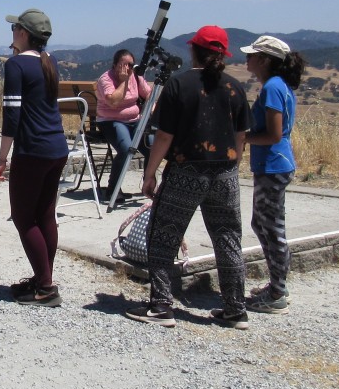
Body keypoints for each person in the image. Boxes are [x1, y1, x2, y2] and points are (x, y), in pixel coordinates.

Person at [126, 25, 251, 330]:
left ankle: (161, 305)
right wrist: (231, 167)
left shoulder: (179, 86)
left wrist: (150, 172)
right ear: (222, 54)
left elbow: (165, 136)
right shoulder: (235, 88)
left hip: (186, 170)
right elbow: (240, 137)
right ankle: (236, 309)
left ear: (193, 50)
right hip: (225, 172)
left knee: (164, 234)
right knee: (227, 238)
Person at [0, 8, 70, 307]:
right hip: (57, 148)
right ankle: (42, 279)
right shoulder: (49, 62)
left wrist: (2, 157)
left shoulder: (15, 65)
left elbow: (12, 116)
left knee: (24, 218)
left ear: (23, 34)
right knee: (45, 215)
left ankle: (46, 287)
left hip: (33, 150)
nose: (11, 33)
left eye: (14, 29)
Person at [241, 34, 305, 314]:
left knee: (272, 228)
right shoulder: (277, 86)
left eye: (252, 55)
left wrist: (243, 138)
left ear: (265, 60)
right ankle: (276, 284)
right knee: (262, 224)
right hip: (273, 165)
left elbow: (273, 133)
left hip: (273, 165)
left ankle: (278, 291)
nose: (247, 59)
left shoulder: (272, 89)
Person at [95, 48, 153, 195]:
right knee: (126, 150)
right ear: (115, 65)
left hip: (134, 120)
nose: (128, 68)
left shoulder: (136, 76)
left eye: (131, 65)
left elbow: (149, 94)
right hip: (111, 120)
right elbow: (113, 102)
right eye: (124, 65)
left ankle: (148, 184)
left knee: (152, 148)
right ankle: (113, 189)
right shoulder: (106, 79)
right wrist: (124, 81)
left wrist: (151, 107)